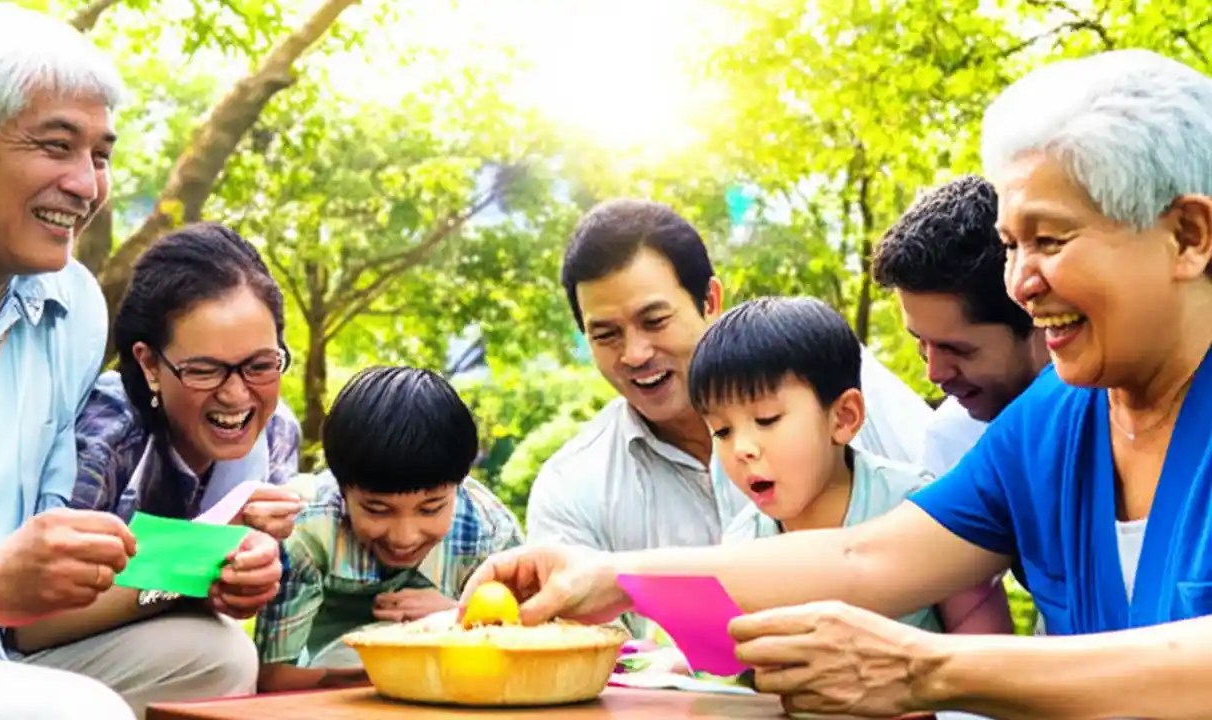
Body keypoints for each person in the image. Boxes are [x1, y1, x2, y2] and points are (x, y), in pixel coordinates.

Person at [462, 48, 1212, 718]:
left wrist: (924, 671)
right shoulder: (1050, 422)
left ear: (1188, 237)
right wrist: (614, 577)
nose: (1021, 281)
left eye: (1049, 240)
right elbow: (868, 558)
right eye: (1011, 245)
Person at [4, 223, 300, 715]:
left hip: (139, 644)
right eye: (204, 370)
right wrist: (200, 555)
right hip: (21, 658)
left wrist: (246, 579)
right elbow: (29, 624)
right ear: (149, 365)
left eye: (260, 365)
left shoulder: (276, 434)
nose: (237, 395)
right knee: (218, 656)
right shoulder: (105, 435)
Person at [527, 199, 932, 557]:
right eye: (606, 335)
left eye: (655, 321)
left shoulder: (826, 372)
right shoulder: (572, 489)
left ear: (710, 301)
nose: (635, 354)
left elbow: (953, 509)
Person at [0, 4, 133, 718]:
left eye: (100, 156)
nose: (86, 185)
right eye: (56, 146)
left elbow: (38, 564)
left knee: (207, 654)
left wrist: (188, 571)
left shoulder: (75, 307)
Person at [699, 297, 1011, 636]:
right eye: (723, 431)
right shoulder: (742, 545)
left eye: (767, 419)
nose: (742, 449)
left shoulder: (918, 507)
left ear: (844, 417)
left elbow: (984, 637)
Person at [255, 366, 524, 693]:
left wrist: (458, 617)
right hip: (335, 684)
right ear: (342, 490)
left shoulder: (489, 532)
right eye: (377, 510)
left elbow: (527, 646)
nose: (404, 537)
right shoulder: (306, 528)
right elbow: (273, 678)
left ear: (459, 485)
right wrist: (389, 673)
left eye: (431, 508)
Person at [873, 175, 1049, 477]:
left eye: (956, 349)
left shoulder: (1113, 415)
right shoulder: (951, 442)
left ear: (1034, 316)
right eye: (922, 344)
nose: (935, 373)